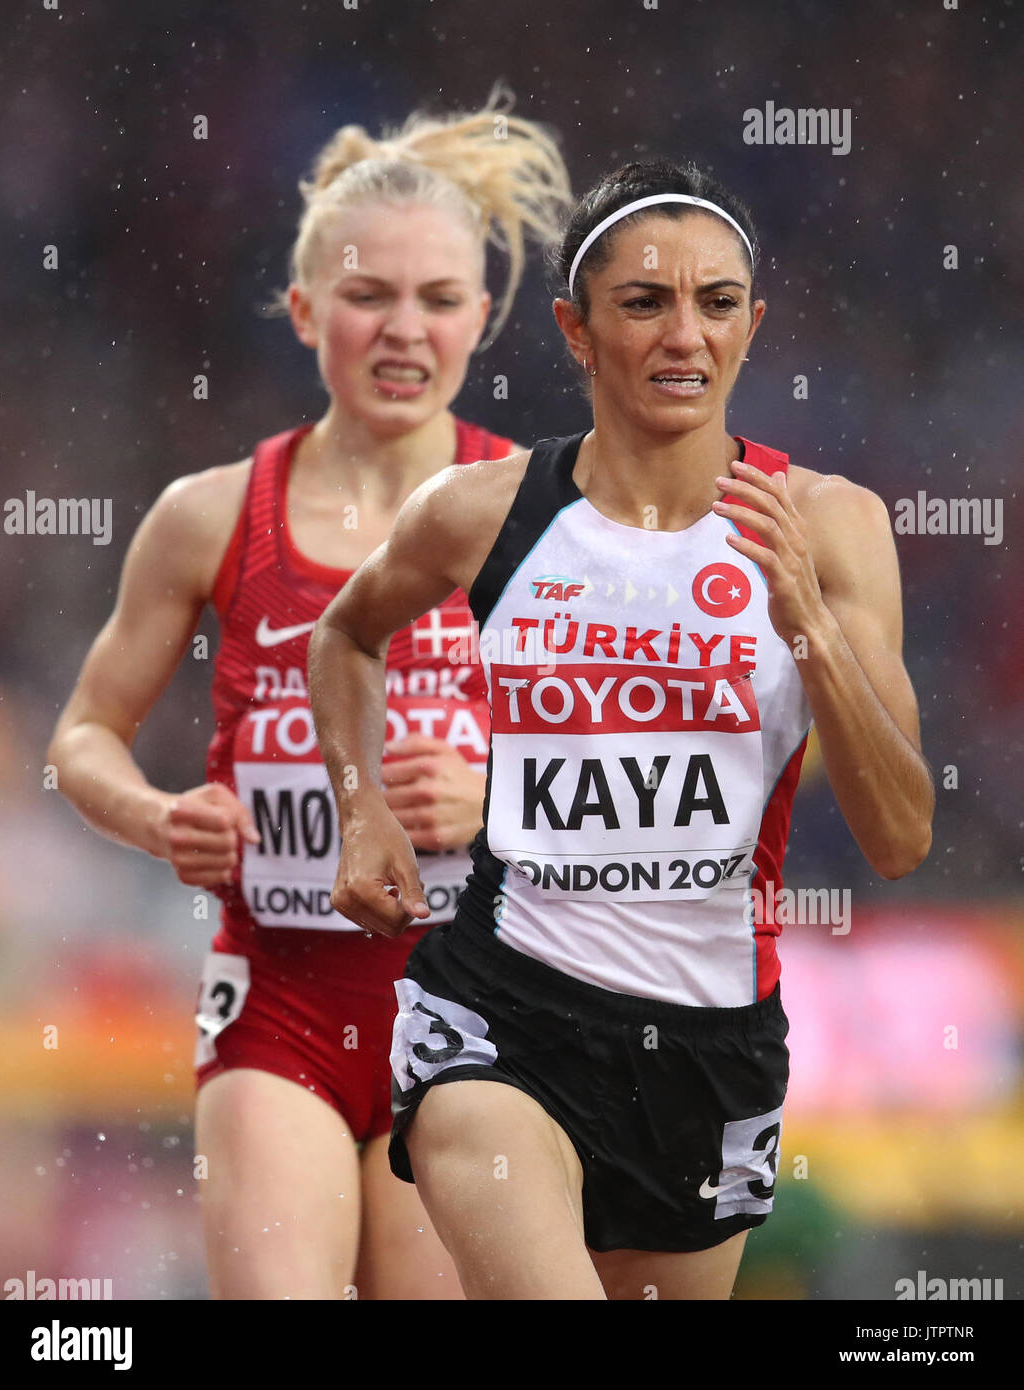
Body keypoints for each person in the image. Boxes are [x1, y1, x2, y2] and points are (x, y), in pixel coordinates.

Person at [306, 158, 935, 1301]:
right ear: (576, 332)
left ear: (752, 324)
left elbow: (897, 834)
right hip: (501, 1010)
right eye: (643, 302)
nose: (682, 334)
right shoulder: (481, 511)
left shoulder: (830, 527)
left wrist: (801, 621)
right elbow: (343, 637)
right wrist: (362, 811)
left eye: (715, 302)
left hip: (710, 1047)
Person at [46, 91, 571, 1300]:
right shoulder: (210, 514)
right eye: (365, 295)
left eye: (438, 299)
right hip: (277, 999)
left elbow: (635, 781)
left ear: (481, 318)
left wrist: (500, 793)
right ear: (303, 310)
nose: (403, 330)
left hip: (474, 1013)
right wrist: (153, 816)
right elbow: (82, 734)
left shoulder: (539, 514)